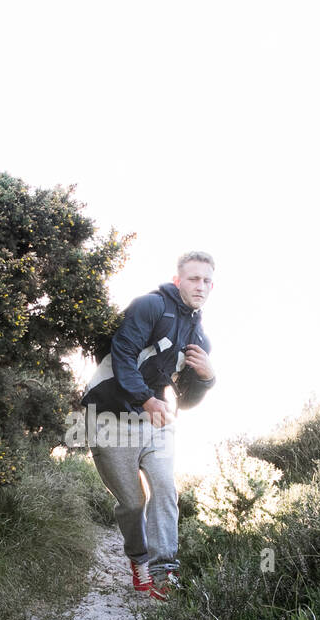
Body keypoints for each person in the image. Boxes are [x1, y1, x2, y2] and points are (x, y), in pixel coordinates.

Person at [79, 251, 217, 600]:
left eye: (207, 280)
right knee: (131, 503)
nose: (200, 286)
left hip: (154, 420)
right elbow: (122, 353)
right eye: (193, 278)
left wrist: (206, 377)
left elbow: (184, 400)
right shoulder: (150, 306)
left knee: (165, 488)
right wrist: (145, 398)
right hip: (108, 415)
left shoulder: (200, 340)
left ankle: (164, 573)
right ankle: (138, 558)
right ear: (178, 280)